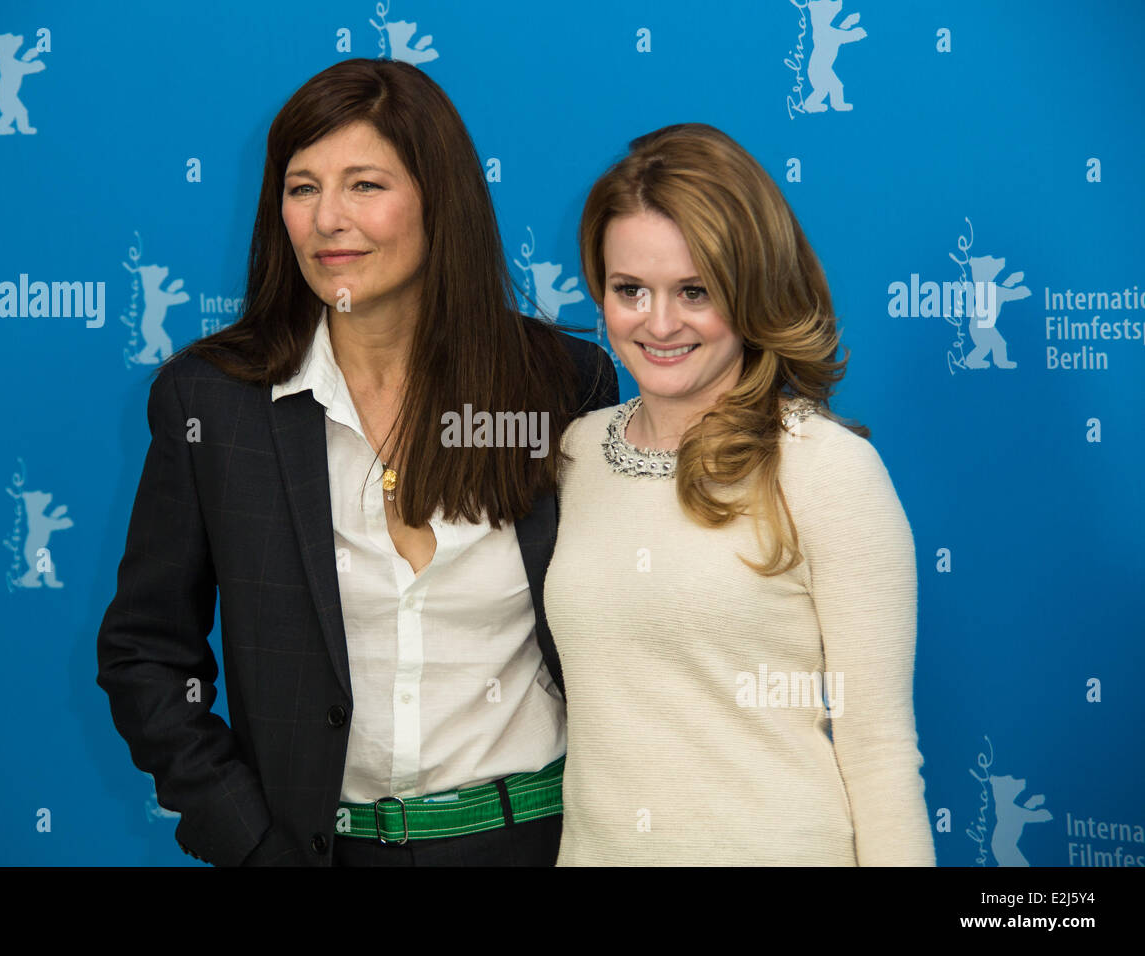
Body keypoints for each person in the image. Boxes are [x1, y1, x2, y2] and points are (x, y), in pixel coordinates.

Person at [95, 58, 617, 867]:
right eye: (303, 188)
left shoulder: (559, 387)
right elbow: (145, 652)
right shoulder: (212, 406)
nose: (328, 218)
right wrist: (246, 839)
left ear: (438, 200)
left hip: (541, 841)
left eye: (365, 185)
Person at [543, 123, 936, 865]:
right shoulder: (575, 452)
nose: (659, 324)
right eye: (630, 290)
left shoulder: (827, 469)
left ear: (751, 288)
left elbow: (879, 749)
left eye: (695, 291)